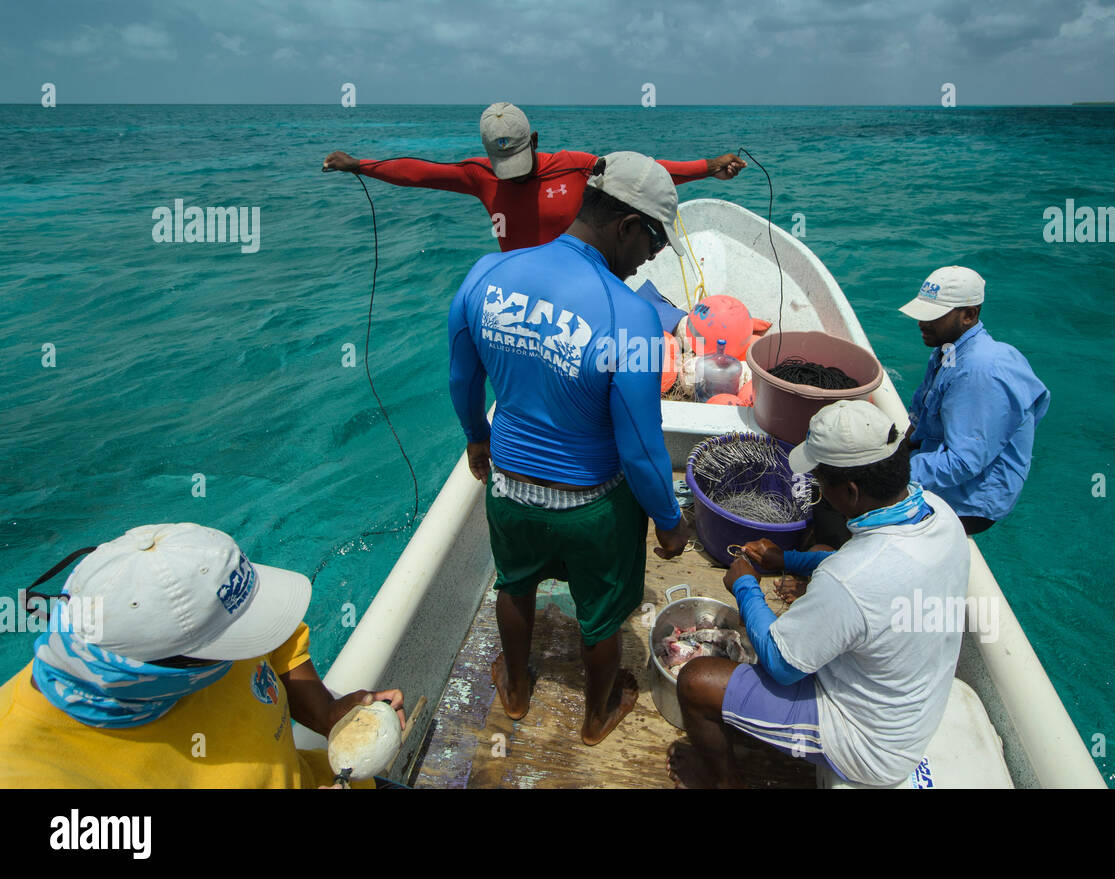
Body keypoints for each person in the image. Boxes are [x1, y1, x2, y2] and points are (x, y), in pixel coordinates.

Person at [447, 151, 690, 745]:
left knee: (515, 584)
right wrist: (668, 518)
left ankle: (519, 692)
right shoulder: (631, 318)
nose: (650, 259)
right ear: (628, 226)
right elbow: (639, 446)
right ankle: (595, 716)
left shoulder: (485, 273)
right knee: (602, 615)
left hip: (508, 489)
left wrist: (477, 439)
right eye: (653, 243)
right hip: (591, 507)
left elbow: (461, 378)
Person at [666, 400, 969, 788]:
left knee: (696, 680)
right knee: (823, 554)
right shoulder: (939, 512)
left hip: (868, 747)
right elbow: (859, 568)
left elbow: (779, 662)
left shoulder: (852, 579)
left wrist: (744, 584)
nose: (818, 491)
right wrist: (785, 559)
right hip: (910, 711)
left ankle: (723, 781)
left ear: (851, 491)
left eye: (822, 482)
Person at [0, 523, 404, 789]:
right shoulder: (27, 773)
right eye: (241, 635)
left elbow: (277, 642)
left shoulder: (195, 604)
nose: (256, 640)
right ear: (173, 673)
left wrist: (326, 713)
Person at [322, 102, 745, 251]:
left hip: (577, 286)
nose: (513, 178)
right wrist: (361, 165)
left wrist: (708, 167)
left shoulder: (575, 165)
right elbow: (420, 173)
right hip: (524, 295)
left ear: (536, 140)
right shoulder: (479, 176)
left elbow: (643, 176)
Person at [898, 266, 1050, 535]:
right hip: (940, 461)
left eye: (933, 316)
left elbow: (963, 463)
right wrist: (898, 452)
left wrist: (887, 473)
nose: (921, 323)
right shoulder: (947, 349)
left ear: (969, 315)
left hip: (970, 503)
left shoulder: (980, 372)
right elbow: (921, 412)